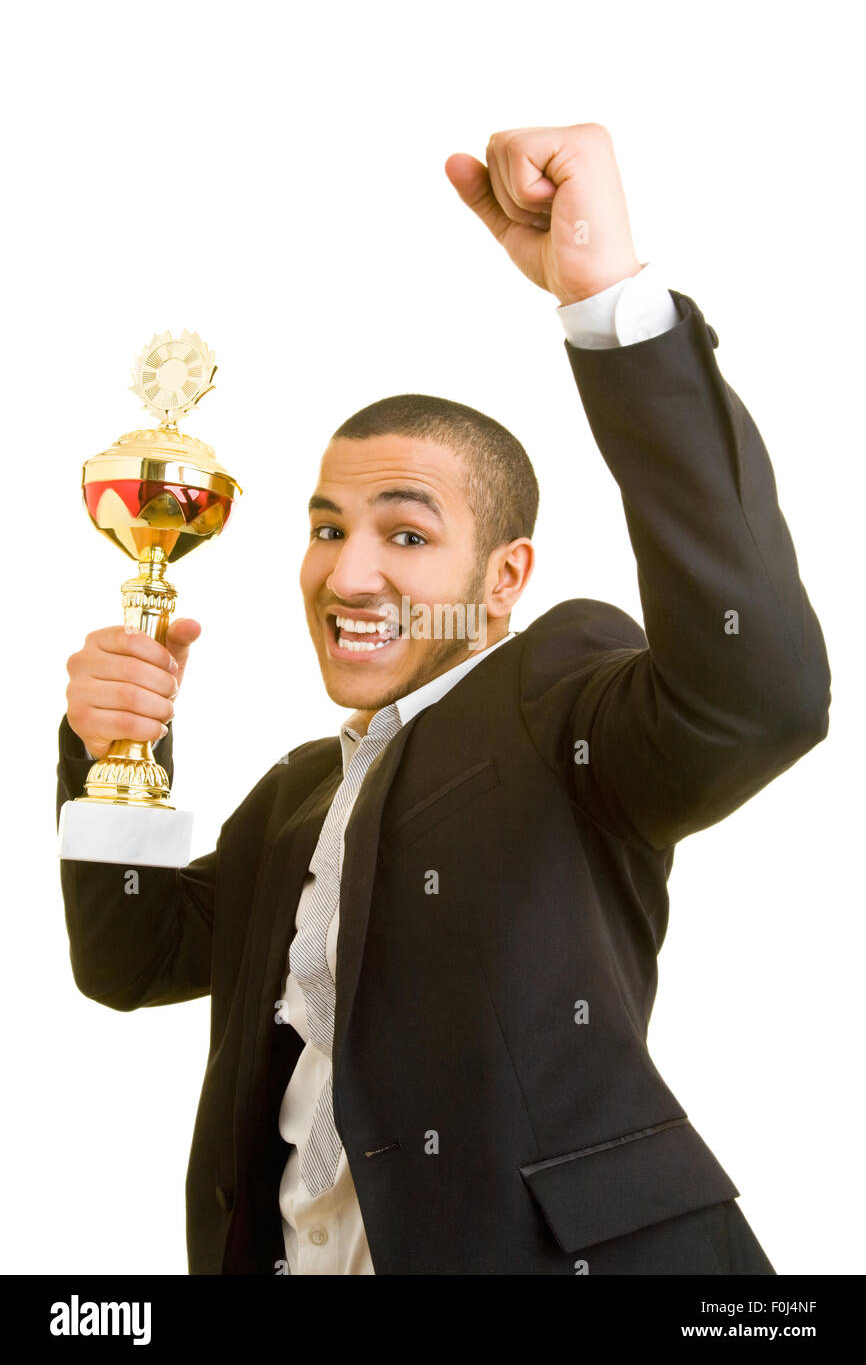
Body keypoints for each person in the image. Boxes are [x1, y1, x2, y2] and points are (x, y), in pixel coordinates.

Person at [57, 122, 830, 1275]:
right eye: (326, 528)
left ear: (503, 578)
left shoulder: (556, 702)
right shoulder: (294, 799)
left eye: (405, 532)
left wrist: (607, 300)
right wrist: (113, 756)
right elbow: (130, 955)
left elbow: (759, 690)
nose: (347, 571)